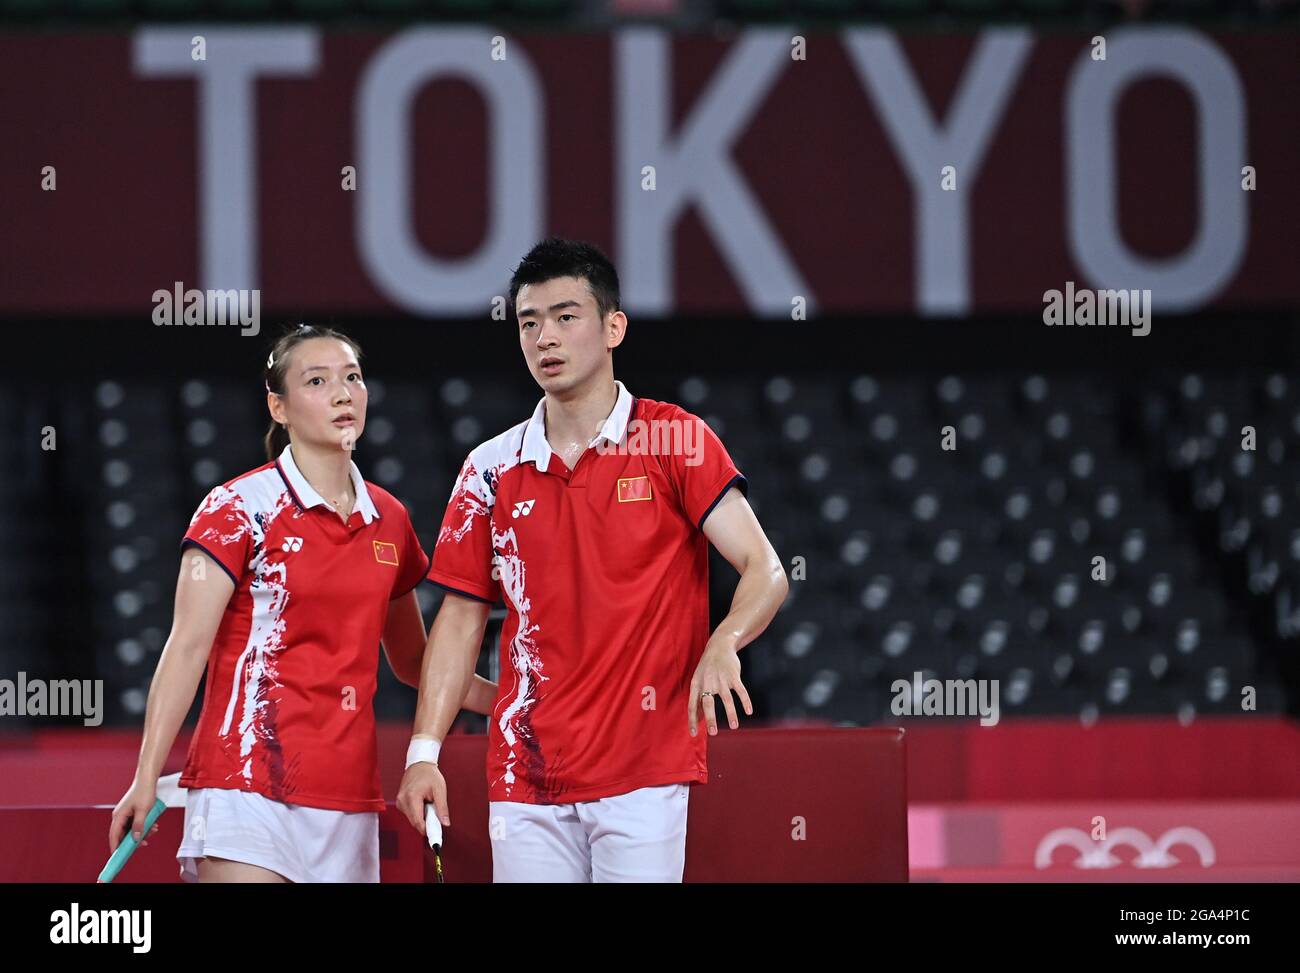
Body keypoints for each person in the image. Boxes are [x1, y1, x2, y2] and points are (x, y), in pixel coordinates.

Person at [397, 239, 789, 882]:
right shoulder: (489, 470)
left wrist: (725, 642)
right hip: (526, 772)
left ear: (613, 327)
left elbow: (765, 569)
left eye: (565, 316)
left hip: (644, 768)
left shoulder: (673, 440)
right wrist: (423, 751)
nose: (544, 337)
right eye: (529, 322)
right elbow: (461, 620)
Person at [109, 324, 497, 883]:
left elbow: (415, 663)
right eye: (317, 381)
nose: (343, 394)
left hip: (348, 799)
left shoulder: (388, 519)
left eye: (353, 378)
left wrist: (513, 702)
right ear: (279, 406)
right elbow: (186, 649)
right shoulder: (238, 507)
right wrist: (146, 776)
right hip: (245, 781)